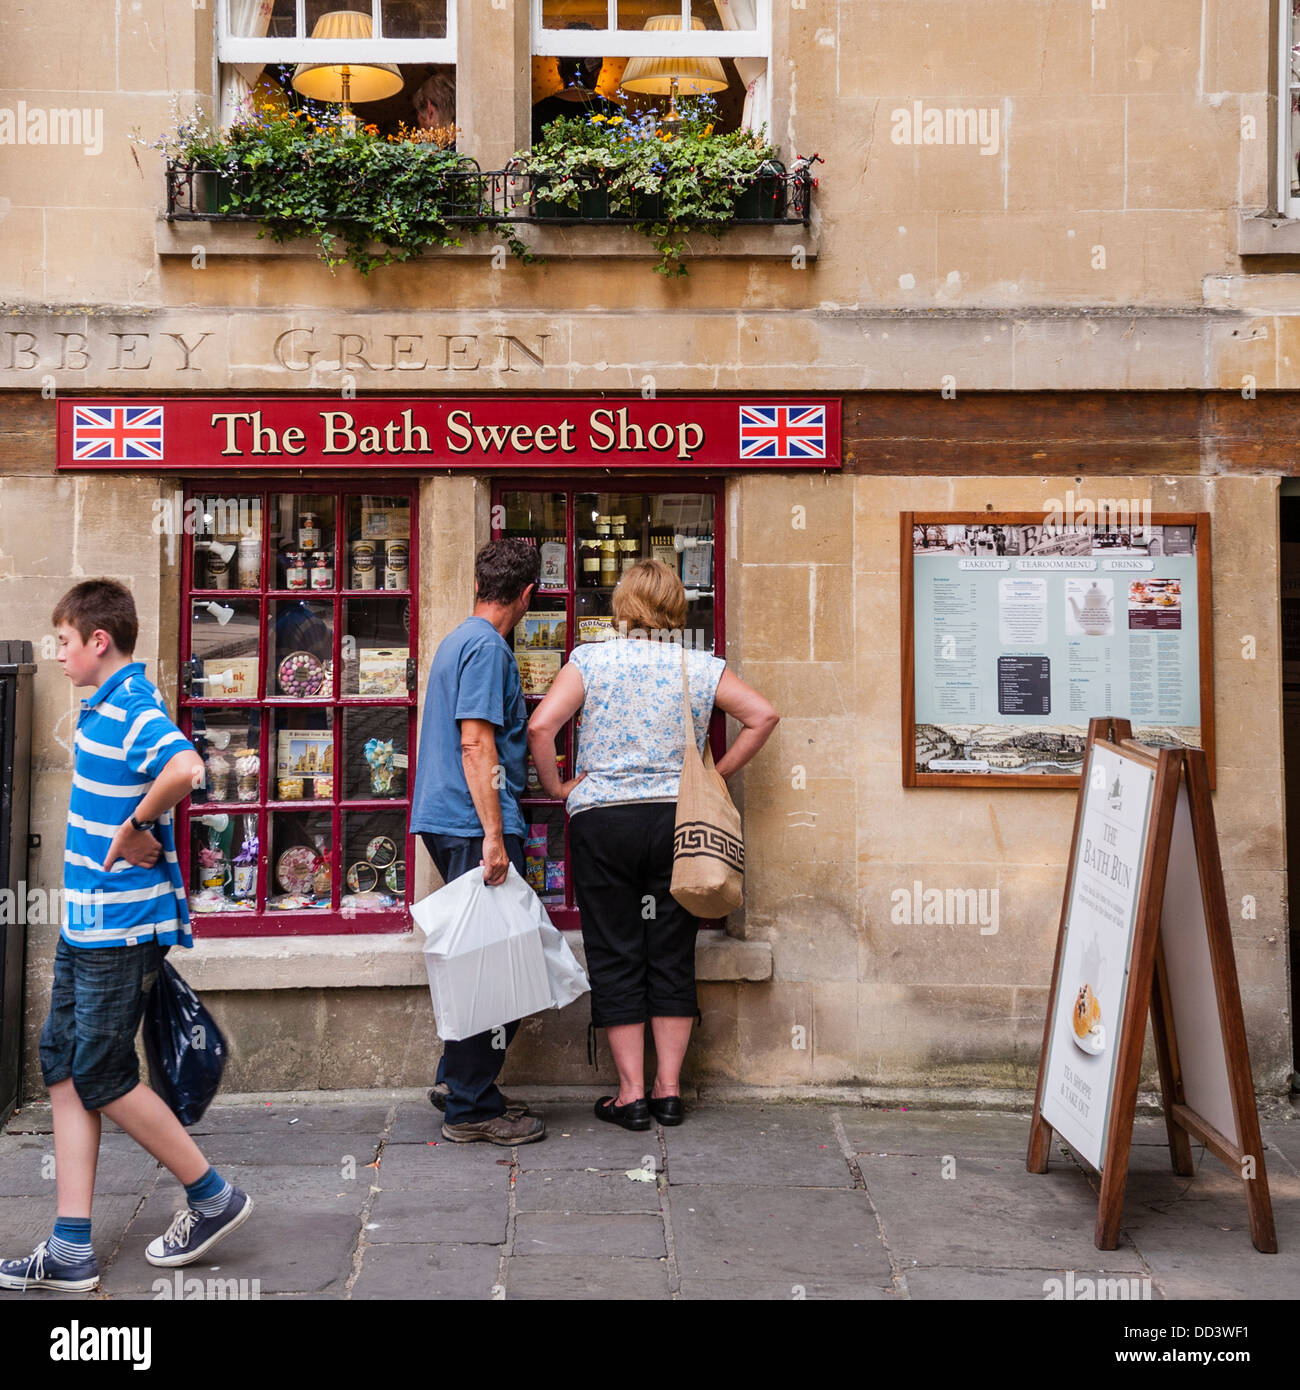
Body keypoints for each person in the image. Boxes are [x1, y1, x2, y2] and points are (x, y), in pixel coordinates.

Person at [0, 580, 252, 1293]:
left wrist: (137, 826)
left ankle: (212, 1197)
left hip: (120, 928)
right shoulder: (100, 706)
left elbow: (186, 766)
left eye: (64, 642)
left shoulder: (134, 704)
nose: (57, 654)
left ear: (98, 641)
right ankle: (69, 1247)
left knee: (102, 1074)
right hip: (86, 924)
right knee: (62, 1064)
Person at [527, 560, 779, 1131]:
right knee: (671, 951)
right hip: (677, 822)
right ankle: (668, 1092)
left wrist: (558, 787)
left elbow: (541, 727)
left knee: (614, 950)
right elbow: (763, 716)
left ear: (623, 604)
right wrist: (713, 777)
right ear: (675, 607)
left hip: (604, 821)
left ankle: (631, 1096)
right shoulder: (698, 664)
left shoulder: (591, 660)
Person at [410, 539, 546, 1145]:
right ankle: (470, 1107)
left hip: (449, 817)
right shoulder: (489, 648)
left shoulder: (458, 640)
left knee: (480, 960)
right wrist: (494, 834)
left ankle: (456, 1080)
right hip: (472, 823)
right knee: (498, 970)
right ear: (527, 595)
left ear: (478, 584)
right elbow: (475, 743)